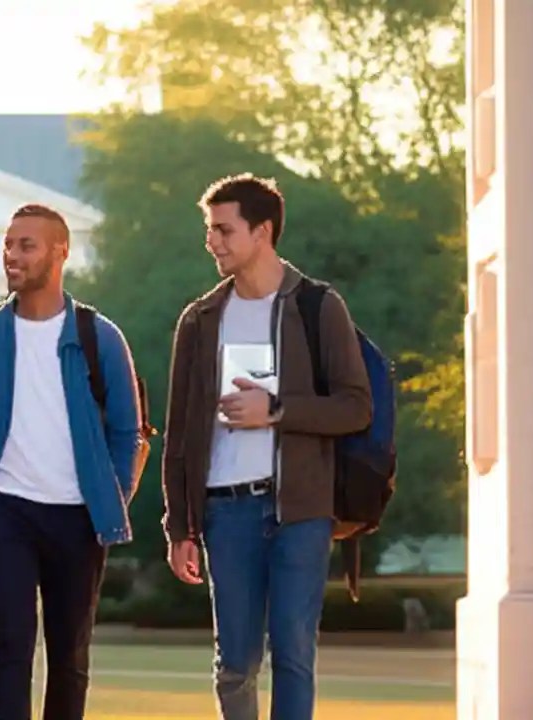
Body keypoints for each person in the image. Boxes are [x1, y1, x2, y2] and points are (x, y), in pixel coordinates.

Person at [161, 174, 372, 720]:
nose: (213, 241)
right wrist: (179, 526)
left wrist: (275, 410)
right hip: (225, 511)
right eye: (210, 230)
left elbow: (355, 407)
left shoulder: (318, 307)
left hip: (301, 511)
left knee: (294, 655)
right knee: (234, 662)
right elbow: (181, 432)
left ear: (262, 231)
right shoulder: (201, 319)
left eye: (224, 230)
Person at [0, 204, 144, 720]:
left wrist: (106, 497)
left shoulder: (99, 336)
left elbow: (127, 431)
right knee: (8, 651)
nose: (12, 255)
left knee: (69, 657)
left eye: (26, 245)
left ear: (59, 251)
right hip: (5, 511)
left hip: (77, 516)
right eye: (8, 244)